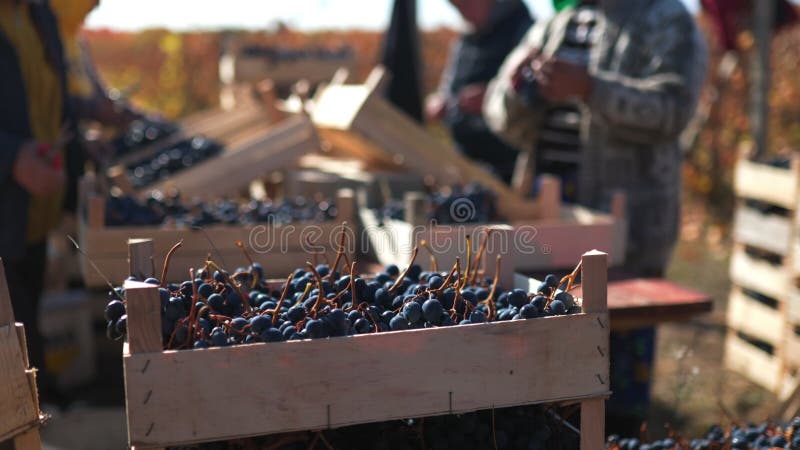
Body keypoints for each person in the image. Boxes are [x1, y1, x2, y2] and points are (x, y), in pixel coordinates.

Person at [483, 0, 708, 433]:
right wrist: (516, 92)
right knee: (547, 367)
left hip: (627, 229)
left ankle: (619, 436)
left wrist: (590, 88)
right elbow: (499, 114)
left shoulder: (666, 19)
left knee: (617, 364)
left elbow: (673, 111)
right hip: (547, 224)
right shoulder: (556, 26)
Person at [0, 0, 82, 404]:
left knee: (27, 323)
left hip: (31, 216)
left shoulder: (39, 14)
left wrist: (82, 142)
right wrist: (11, 156)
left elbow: (51, 100)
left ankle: (41, 401)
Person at [425, 0, 534, 183]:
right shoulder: (464, 39)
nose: (461, 11)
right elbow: (448, 87)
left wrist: (492, 98)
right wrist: (440, 101)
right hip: (464, 162)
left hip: (509, 168)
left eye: (464, 4)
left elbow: (535, 94)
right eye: (456, 6)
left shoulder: (526, 31)